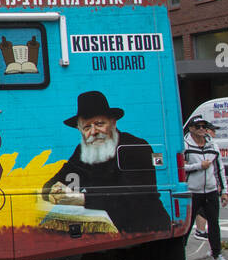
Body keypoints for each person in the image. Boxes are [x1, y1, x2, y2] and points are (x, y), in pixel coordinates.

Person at [44, 91, 170, 233]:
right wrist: (53, 191)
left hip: (147, 232)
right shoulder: (82, 151)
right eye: (87, 127)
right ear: (80, 130)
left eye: (99, 123)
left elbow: (134, 197)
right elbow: (55, 182)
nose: (94, 131)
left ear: (113, 123)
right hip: (105, 236)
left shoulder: (134, 146)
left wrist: (82, 199)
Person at [183, 116, 228, 260]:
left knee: (214, 223)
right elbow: (180, 167)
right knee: (187, 224)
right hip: (192, 190)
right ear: (191, 128)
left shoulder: (212, 145)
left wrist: (224, 191)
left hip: (210, 190)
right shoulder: (185, 145)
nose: (201, 129)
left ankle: (217, 255)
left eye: (204, 126)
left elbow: (219, 169)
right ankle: (181, 253)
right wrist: (198, 166)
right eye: (197, 126)